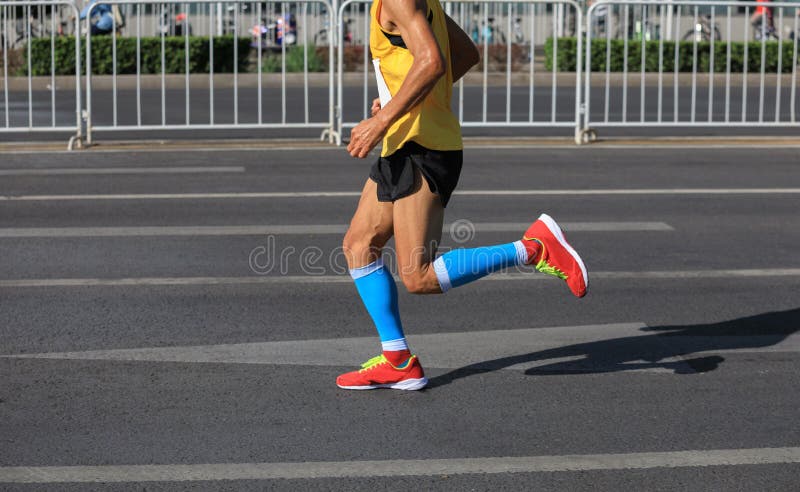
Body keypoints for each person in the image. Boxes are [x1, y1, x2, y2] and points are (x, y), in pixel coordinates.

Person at [337, 0, 588, 391]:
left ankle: (534, 247)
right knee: (358, 245)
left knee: (418, 277)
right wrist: (399, 99)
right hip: (404, 143)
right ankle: (398, 361)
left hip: (424, 147)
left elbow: (433, 61)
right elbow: (466, 55)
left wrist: (381, 119)